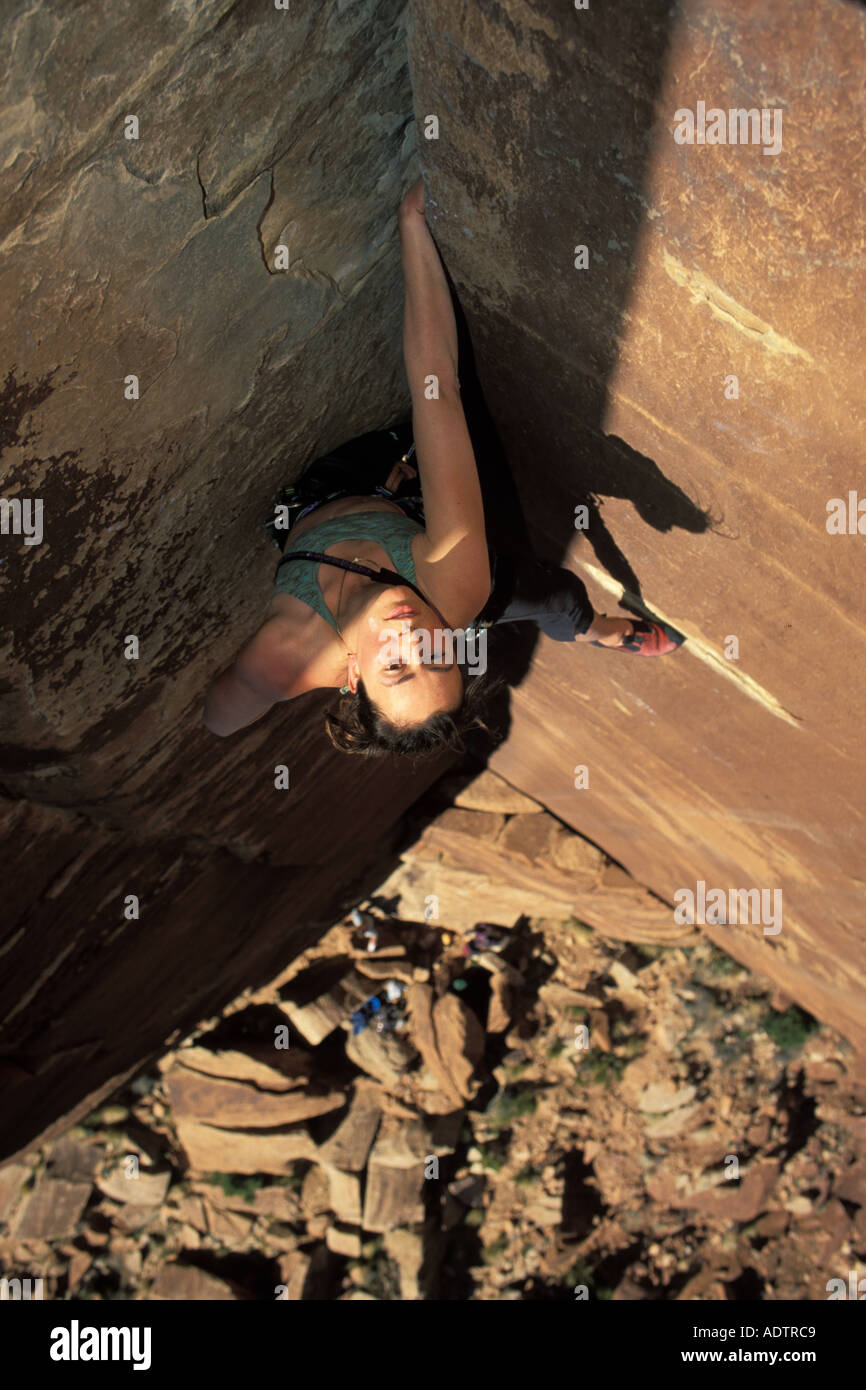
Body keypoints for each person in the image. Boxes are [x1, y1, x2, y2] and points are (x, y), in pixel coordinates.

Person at [202, 179, 681, 757]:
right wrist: (414, 225)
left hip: (326, 492)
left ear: (352, 678)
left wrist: (245, 695)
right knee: (556, 597)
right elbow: (438, 394)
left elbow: (219, 721)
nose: (413, 636)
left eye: (398, 667)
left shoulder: (283, 658)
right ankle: (603, 632)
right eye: (438, 656)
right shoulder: (456, 592)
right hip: (419, 534)